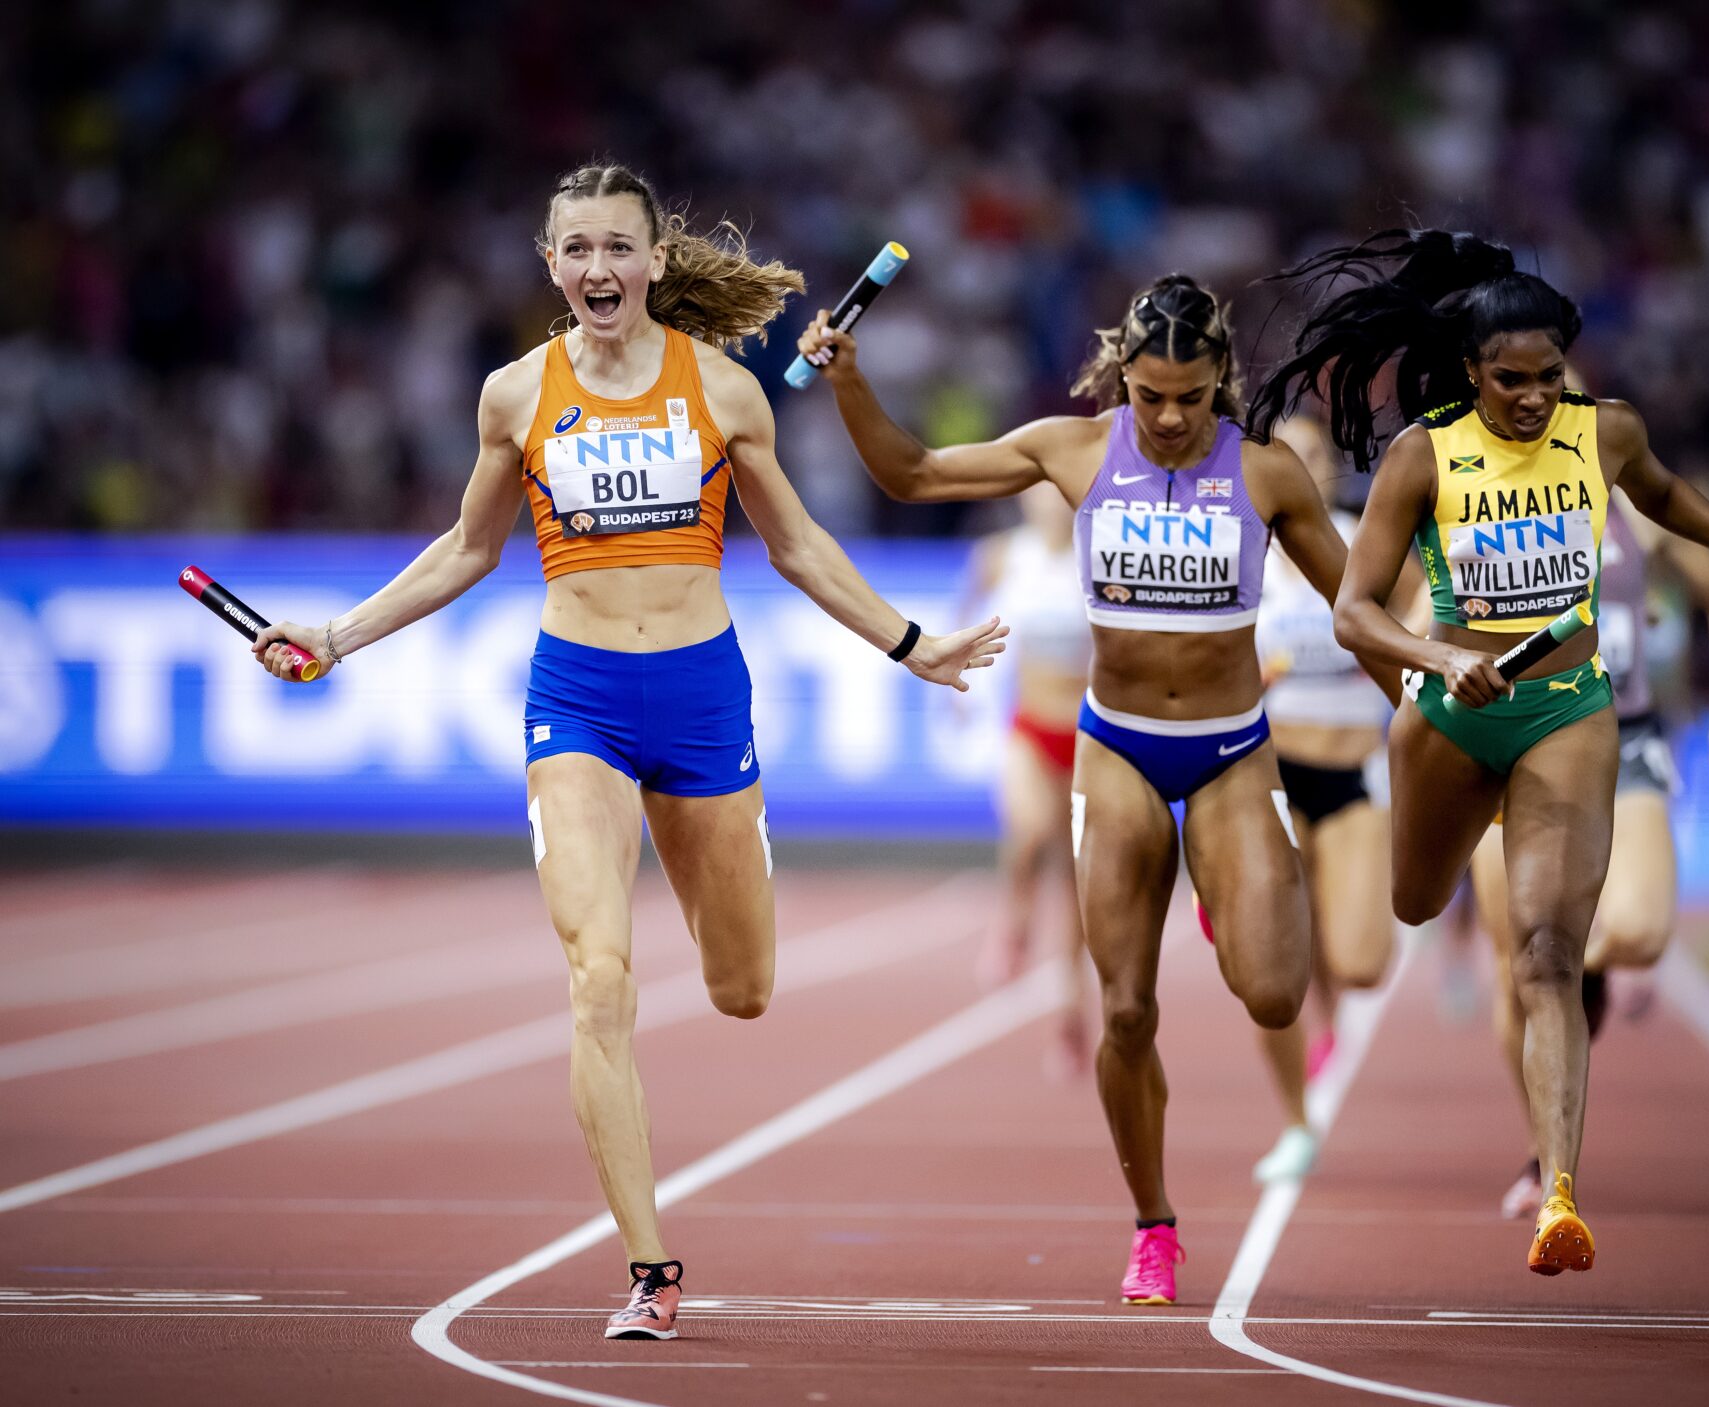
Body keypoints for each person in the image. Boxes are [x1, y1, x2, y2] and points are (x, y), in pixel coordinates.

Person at [251, 162, 1005, 1340]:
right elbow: (464, 549)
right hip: (579, 701)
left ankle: (726, 912)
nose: (598, 269)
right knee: (597, 979)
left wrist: (911, 645)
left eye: (617, 248)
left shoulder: (722, 389)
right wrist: (337, 637)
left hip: (703, 700)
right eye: (576, 250)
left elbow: (798, 547)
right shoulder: (515, 394)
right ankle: (650, 1268)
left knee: (741, 989)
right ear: (548, 265)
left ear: (653, 262)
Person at [1247, 228, 1709, 1275]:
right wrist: (1436, 655)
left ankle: (1557, 1192)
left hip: (1566, 708)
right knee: (1410, 909)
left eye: (1546, 377)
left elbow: (1662, 499)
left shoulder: (1602, 434)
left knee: (1545, 956)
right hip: (1449, 712)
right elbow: (1351, 615)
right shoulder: (1421, 455)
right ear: (1468, 372)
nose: (1530, 398)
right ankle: (1422, 850)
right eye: (1508, 380)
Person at [797, 274, 1389, 1305]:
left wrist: (1434, 713)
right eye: (1149, 395)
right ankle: (1152, 1227)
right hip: (1115, 748)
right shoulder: (1073, 451)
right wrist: (849, 383)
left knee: (1272, 992)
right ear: (1123, 376)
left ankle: (1231, 886)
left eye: (1189, 398)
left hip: (1229, 751)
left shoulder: (1267, 475)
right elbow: (913, 473)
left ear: (1220, 382)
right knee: (1123, 1012)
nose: (1166, 418)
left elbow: (1359, 612)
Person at [1474, 492, 1709, 1218]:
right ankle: (1550, 1160)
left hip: (1623, 736)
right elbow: (1408, 620)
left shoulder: (1636, 506)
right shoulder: (1478, 498)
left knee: (1640, 930)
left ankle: (1584, 967)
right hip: (1513, 744)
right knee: (1516, 979)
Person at [1243, 414, 1405, 1183]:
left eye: (1315, 455)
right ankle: (1297, 1123)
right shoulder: (1243, 548)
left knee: (1363, 959)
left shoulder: (1361, 540)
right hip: (1269, 775)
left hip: (1350, 770)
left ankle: (1338, 995)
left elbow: (1418, 613)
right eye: (1288, 455)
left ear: (1333, 470)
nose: (1303, 467)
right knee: (1276, 959)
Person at [963, 480, 1094, 1077]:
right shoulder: (1002, 556)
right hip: (1031, 730)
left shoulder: (1101, 556)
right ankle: (1013, 919)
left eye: (1062, 496)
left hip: (1091, 741)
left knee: (1080, 898)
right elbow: (965, 611)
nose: (1052, 507)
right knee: (1031, 829)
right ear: (1025, 501)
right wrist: (956, 681)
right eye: (1041, 496)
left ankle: (1071, 1022)